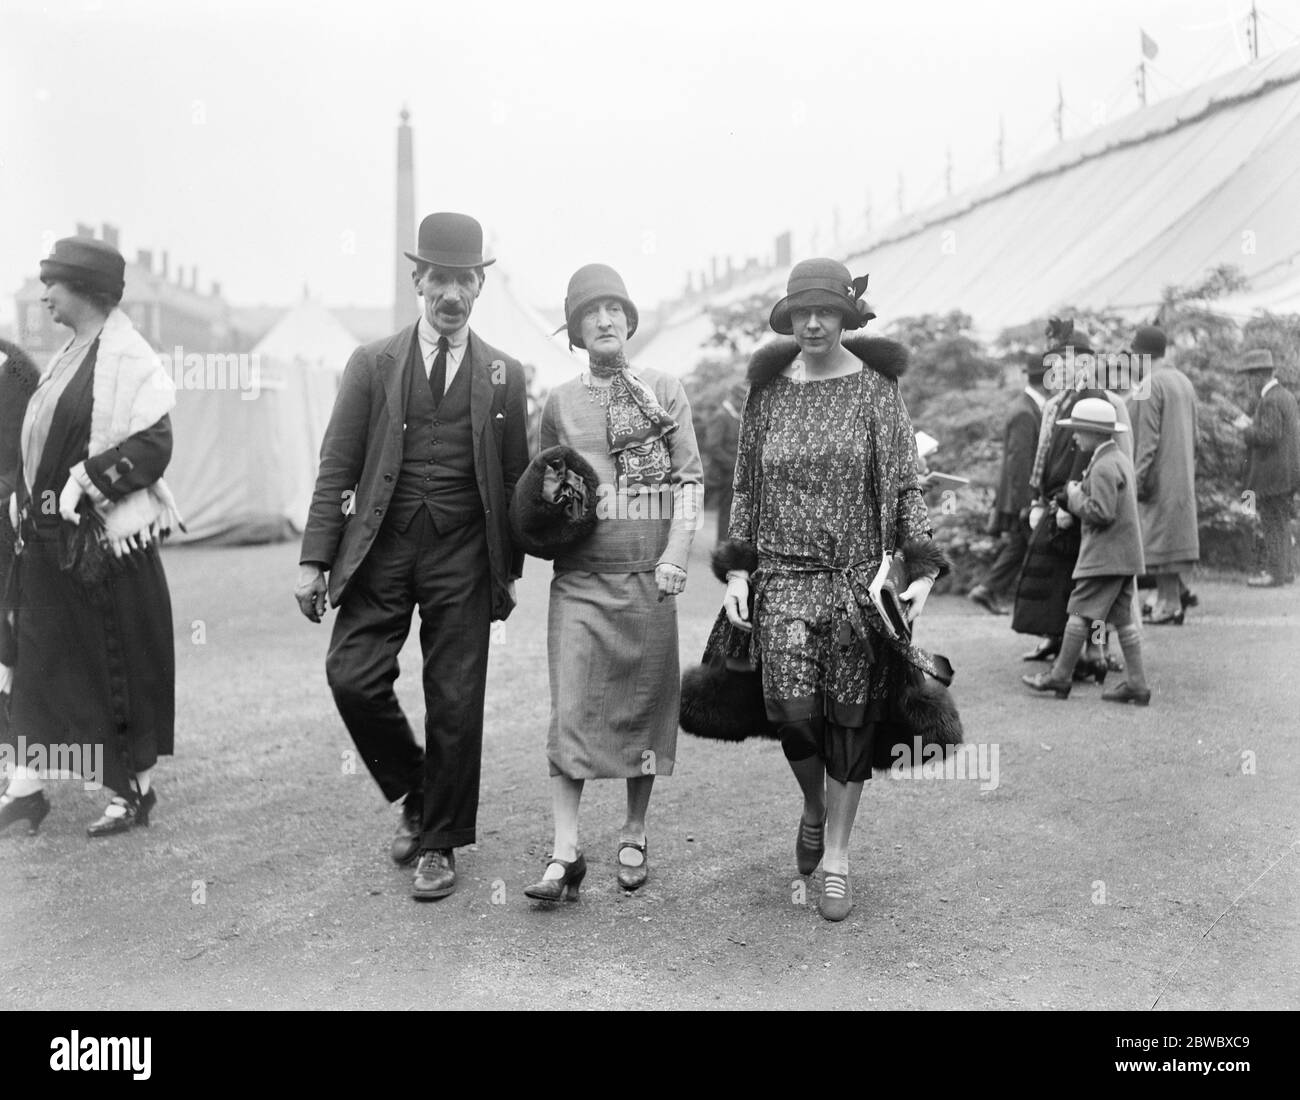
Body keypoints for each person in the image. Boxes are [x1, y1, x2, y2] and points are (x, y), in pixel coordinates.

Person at [297, 212, 529, 900]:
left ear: (479, 286)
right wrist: (315, 559)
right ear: (417, 280)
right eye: (439, 279)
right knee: (352, 676)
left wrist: (508, 571)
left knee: (456, 699)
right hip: (382, 547)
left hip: (463, 550)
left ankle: (441, 842)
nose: (451, 293)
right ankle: (418, 790)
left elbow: (515, 479)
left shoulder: (504, 373)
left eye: (464, 279)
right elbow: (336, 464)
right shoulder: (372, 363)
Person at [711, 259, 949, 921]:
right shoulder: (768, 390)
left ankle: (838, 853)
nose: (813, 323)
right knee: (790, 711)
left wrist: (922, 566)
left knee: (851, 718)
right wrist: (737, 568)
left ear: (846, 316)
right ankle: (813, 805)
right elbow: (745, 489)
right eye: (800, 313)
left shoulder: (877, 388)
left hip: (854, 585)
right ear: (787, 319)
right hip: (783, 579)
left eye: (826, 311)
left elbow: (906, 484)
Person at [519, 264, 702, 902]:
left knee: (644, 709)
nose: (604, 320)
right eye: (590, 311)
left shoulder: (664, 390)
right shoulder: (559, 403)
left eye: (614, 309)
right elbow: (543, 484)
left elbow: (689, 482)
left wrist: (677, 552)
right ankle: (564, 851)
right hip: (580, 583)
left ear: (629, 321)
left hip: (649, 580)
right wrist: (545, 526)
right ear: (575, 328)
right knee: (570, 708)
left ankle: (633, 829)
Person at [0, 238, 181, 837]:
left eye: (50, 283)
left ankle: (134, 792)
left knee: (111, 666)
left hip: (100, 546)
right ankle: (24, 786)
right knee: (36, 661)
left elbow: (155, 442)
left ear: (81, 288)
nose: (43, 295)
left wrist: (89, 481)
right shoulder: (66, 355)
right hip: (48, 544)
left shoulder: (127, 356)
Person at [1014, 322, 1131, 673]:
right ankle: (1068, 647)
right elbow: (1047, 452)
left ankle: (1094, 654)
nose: (1063, 367)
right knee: (1070, 584)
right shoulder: (1060, 400)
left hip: (1085, 501)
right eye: (1060, 361)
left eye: (1070, 361)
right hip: (1062, 499)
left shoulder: (1097, 399)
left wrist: (1073, 501)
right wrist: (1041, 498)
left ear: (1086, 362)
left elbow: (1092, 455)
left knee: (1093, 588)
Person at [1023, 398, 1149, 704]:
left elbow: (1101, 512)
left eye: (1079, 431)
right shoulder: (1116, 458)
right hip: (1123, 557)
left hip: (1104, 557)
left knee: (1078, 612)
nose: (1075, 437)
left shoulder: (1104, 465)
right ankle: (1137, 684)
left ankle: (1060, 676)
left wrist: (1073, 496)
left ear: (1094, 433)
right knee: (1122, 620)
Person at [1127, 326, 1199, 623]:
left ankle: (1169, 605)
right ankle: (1171, 600)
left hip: (1158, 475)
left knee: (1159, 540)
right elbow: (1196, 436)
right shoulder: (1183, 381)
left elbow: (1147, 441)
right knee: (1172, 540)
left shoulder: (1149, 384)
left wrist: (1135, 479)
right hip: (1181, 472)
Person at [968, 352, 1047, 615]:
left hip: (1019, 495)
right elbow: (1020, 462)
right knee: (1034, 548)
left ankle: (988, 589)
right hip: (1022, 497)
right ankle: (1028, 605)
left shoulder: (1028, 407)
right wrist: (1027, 504)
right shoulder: (1025, 411)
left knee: (1019, 546)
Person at [1234, 348, 1300, 587]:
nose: (1249, 381)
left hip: (1272, 476)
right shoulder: (1286, 396)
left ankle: (1275, 574)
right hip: (1287, 474)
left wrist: (1245, 428)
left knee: (1273, 523)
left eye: (1250, 375)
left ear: (1259, 375)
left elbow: (1268, 436)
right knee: (1281, 523)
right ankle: (1285, 571)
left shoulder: (1270, 400)